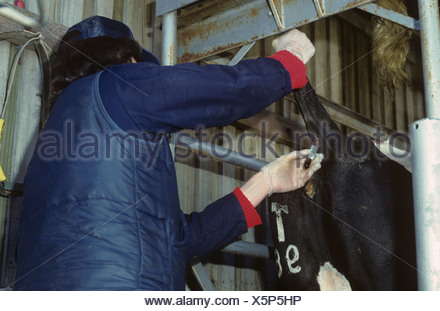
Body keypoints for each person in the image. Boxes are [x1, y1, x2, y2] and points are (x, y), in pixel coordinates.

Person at [14, 16, 322, 290]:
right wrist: (287, 64)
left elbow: (177, 241)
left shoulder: (48, 148)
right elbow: (222, 90)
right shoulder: (118, 86)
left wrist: (266, 181)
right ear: (126, 60)